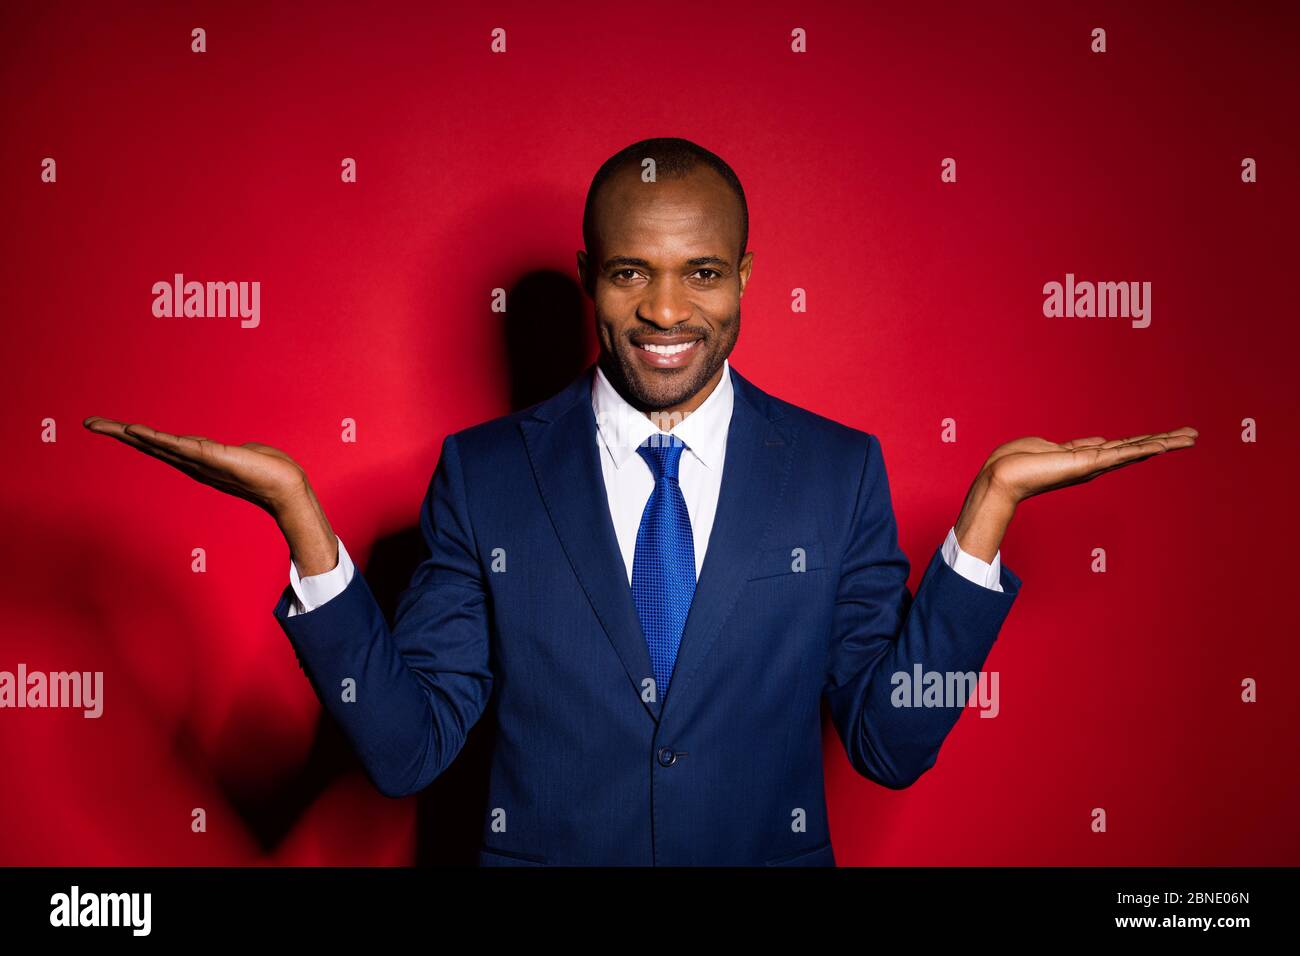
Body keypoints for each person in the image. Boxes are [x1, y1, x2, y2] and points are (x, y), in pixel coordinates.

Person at [84, 136, 1197, 866]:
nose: (666, 308)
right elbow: (407, 750)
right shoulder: (483, 476)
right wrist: (303, 523)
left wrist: (986, 512)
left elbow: (891, 742)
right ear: (588, 273)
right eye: (631, 272)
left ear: (747, 276)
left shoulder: (833, 469)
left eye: (702, 272)